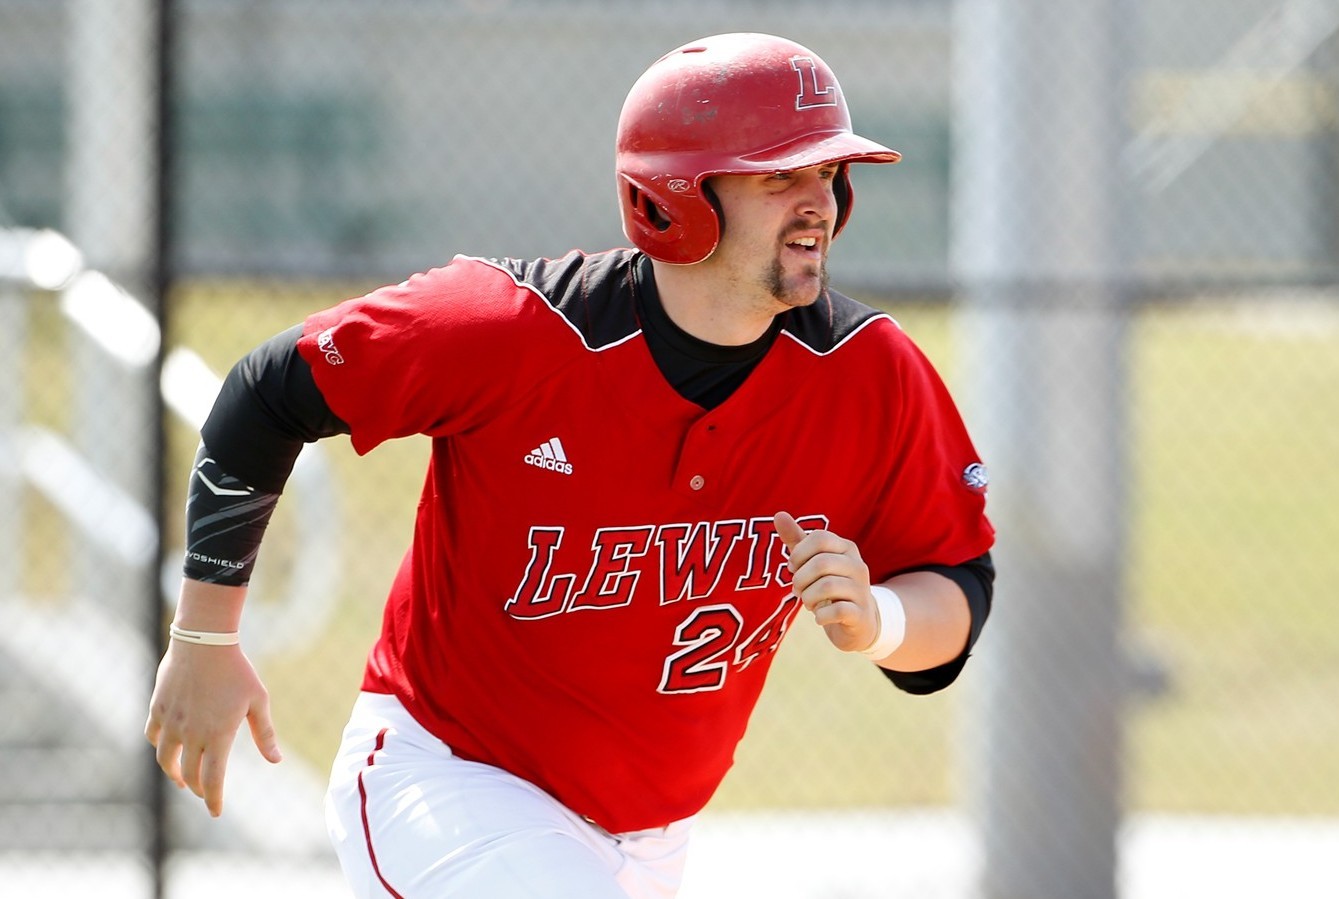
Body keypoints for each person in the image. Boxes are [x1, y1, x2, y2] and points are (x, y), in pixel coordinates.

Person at [146, 31, 995, 898]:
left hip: (651, 838)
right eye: (780, 176)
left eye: (829, 173)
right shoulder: (512, 329)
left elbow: (959, 579)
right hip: (447, 781)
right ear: (675, 196)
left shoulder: (866, 371)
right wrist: (205, 636)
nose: (819, 202)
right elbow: (268, 392)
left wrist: (879, 620)